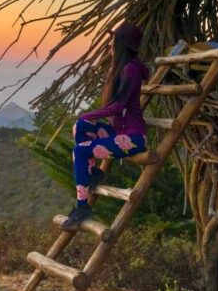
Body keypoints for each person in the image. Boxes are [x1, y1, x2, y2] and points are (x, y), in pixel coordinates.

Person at [60, 22, 150, 231]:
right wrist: (85, 119)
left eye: (114, 40)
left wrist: (89, 114)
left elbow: (119, 104)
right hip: (119, 133)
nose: (111, 44)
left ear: (121, 44)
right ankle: (92, 175)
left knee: (80, 150)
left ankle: (82, 206)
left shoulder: (131, 69)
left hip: (133, 138)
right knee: (80, 127)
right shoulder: (122, 68)